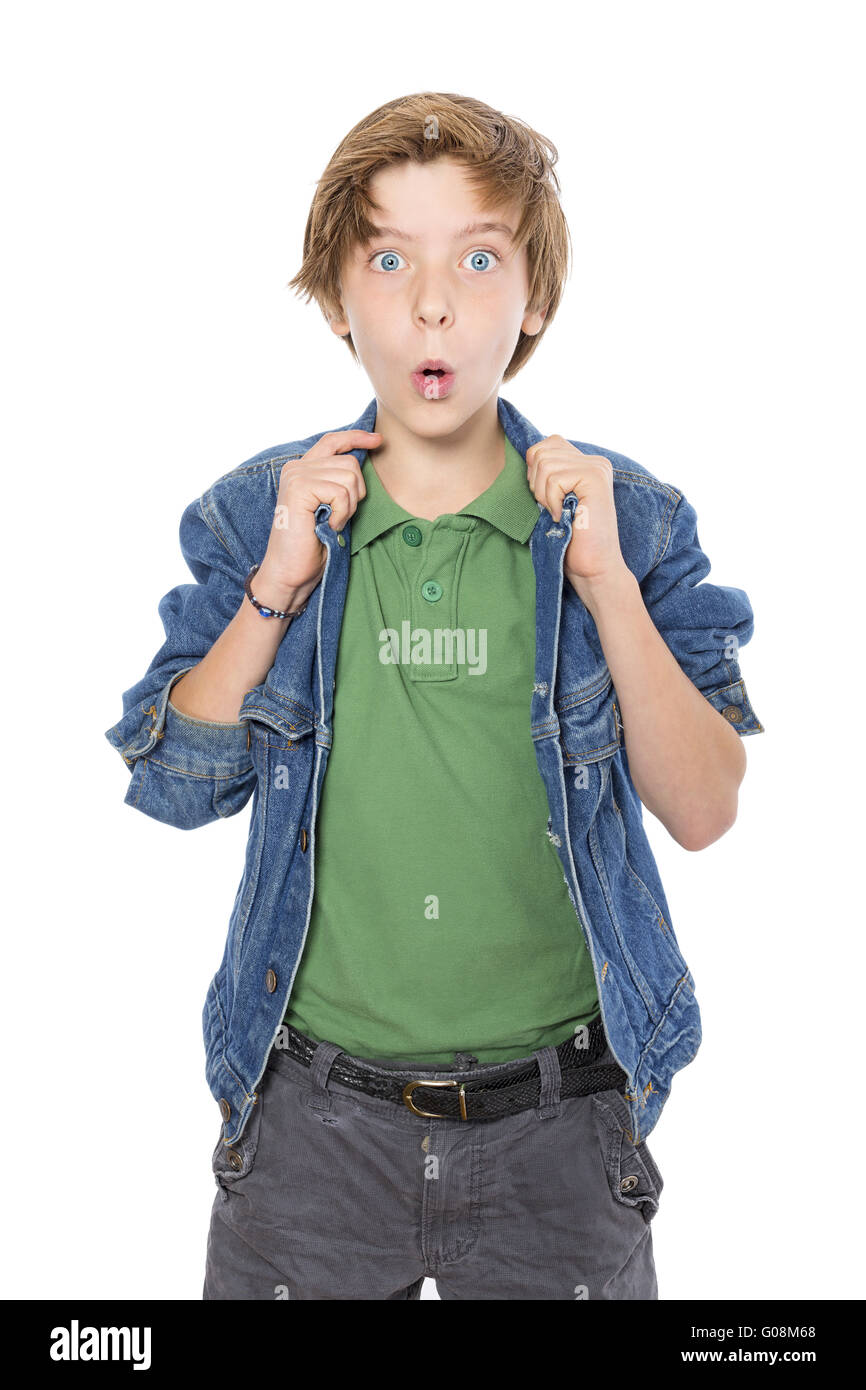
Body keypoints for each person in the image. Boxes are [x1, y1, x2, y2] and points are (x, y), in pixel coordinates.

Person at [104, 92, 765, 1300]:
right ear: (335, 296)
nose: (431, 303)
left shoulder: (634, 521)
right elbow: (170, 782)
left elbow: (706, 806)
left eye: (476, 256)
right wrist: (276, 583)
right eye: (387, 256)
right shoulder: (263, 511)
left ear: (535, 301)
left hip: (559, 1127)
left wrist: (607, 584)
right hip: (311, 1123)